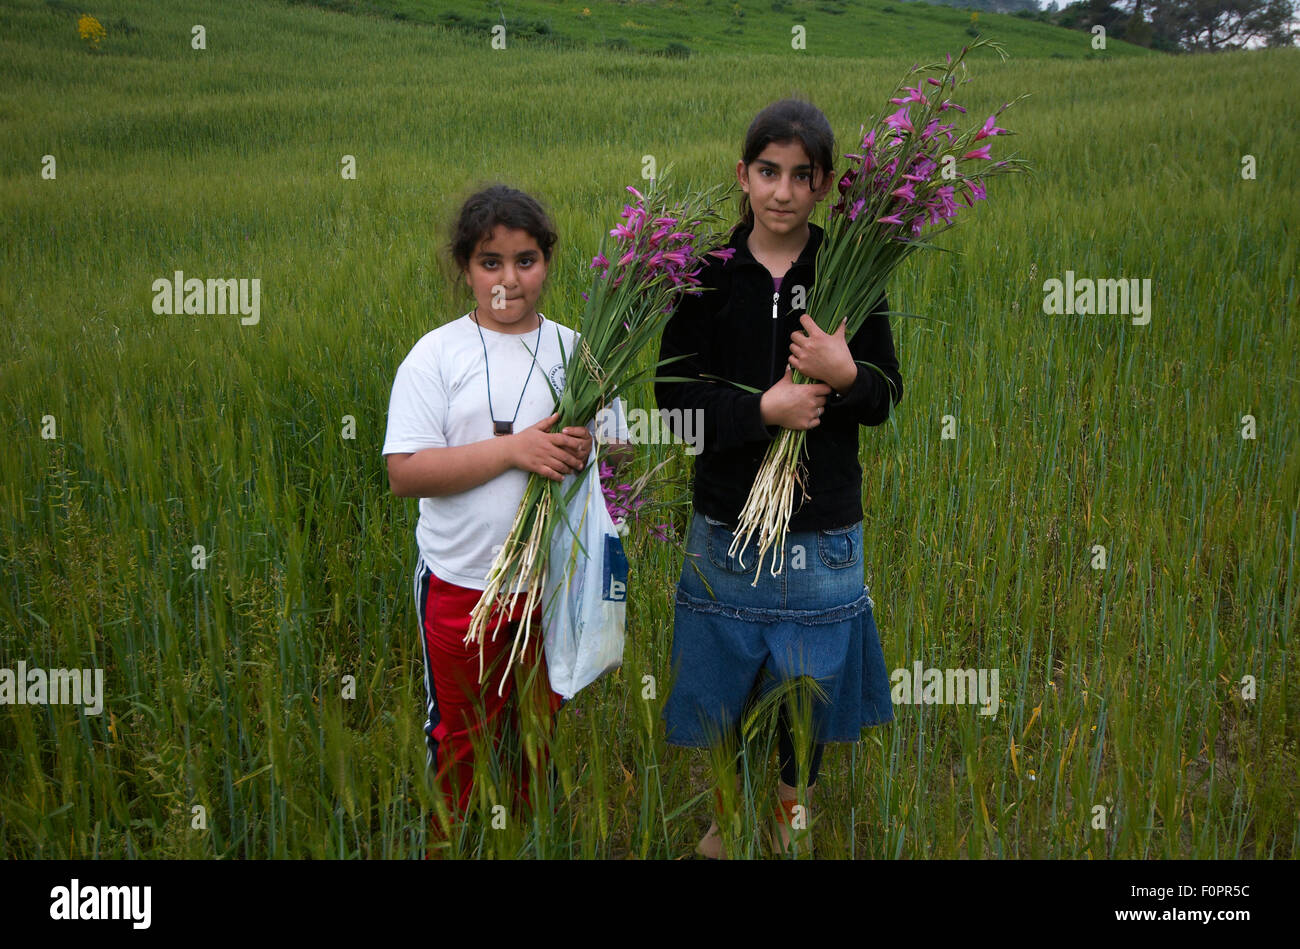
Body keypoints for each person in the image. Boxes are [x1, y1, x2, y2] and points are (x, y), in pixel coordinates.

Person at [655, 99, 903, 857]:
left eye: (803, 175)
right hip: (729, 522)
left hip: (822, 527)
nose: (784, 191)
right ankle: (728, 820)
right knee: (727, 684)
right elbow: (674, 406)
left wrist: (845, 372)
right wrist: (764, 408)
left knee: (806, 691)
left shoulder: (852, 270)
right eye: (769, 172)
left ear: (825, 185)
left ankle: (790, 819)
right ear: (744, 174)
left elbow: (886, 396)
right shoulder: (705, 277)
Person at [383, 185, 606, 836]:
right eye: (490, 261)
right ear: (465, 268)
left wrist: (589, 445)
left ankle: (525, 835)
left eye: (527, 259)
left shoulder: (576, 353)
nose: (510, 279)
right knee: (460, 732)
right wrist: (515, 449)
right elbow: (406, 472)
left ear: (548, 262)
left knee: (537, 725)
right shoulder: (435, 356)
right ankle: (452, 841)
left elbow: (609, 452)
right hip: (461, 587)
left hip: (548, 586)